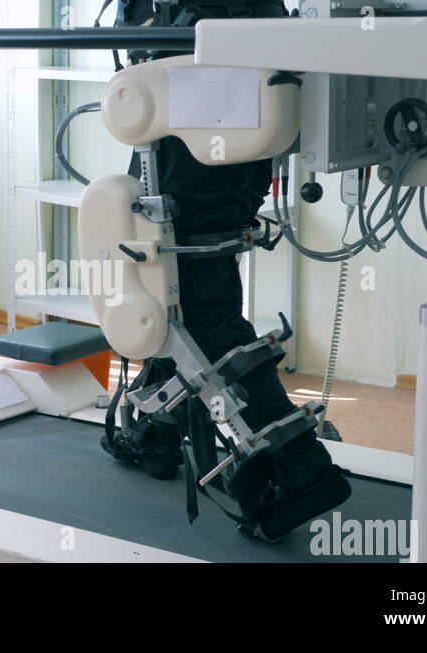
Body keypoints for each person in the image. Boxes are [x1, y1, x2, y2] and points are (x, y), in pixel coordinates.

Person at [100, 0, 352, 542]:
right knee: (186, 299)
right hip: (231, 156)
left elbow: (174, 58)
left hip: (191, 155)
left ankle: (306, 473)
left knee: (197, 316)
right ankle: (158, 435)